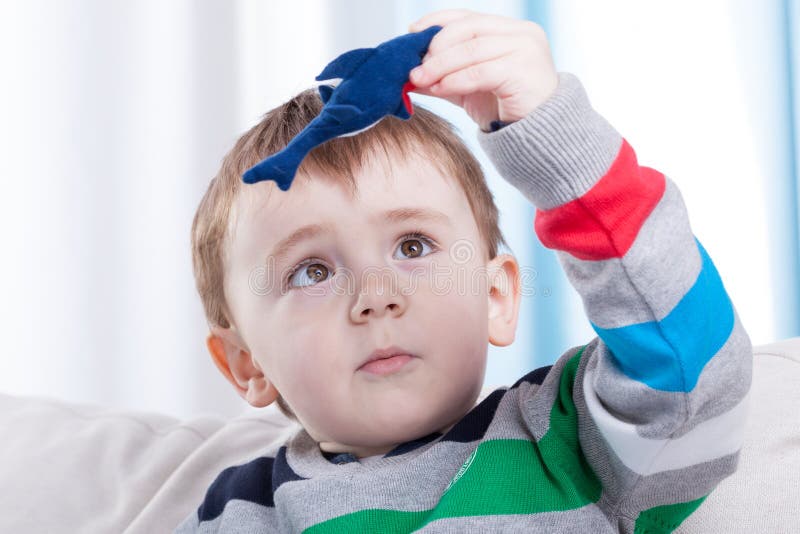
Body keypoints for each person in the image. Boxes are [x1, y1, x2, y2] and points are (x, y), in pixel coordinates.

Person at [178, 8, 752, 533]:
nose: (375, 296)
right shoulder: (237, 512)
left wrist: (560, 144)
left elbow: (688, 367)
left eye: (412, 246)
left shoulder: (565, 441)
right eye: (311, 272)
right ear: (247, 363)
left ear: (495, 297)